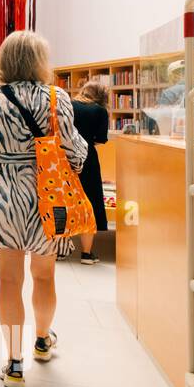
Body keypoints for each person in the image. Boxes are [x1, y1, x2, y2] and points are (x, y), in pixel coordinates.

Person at [0, 31, 88, 387]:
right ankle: (43, 341)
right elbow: (75, 153)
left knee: (9, 280)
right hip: (46, 196)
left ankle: (14, 365)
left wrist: (0, 174)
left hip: (2, 195)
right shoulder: (57, 98)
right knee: (44, 276)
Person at [71, 81, 110, 264]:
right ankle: (86, 254)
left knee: (65, 200)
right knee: (91, 202)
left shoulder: (68, 104)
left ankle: (61, 249)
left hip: (66, 158)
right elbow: (101, 139)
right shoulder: (99, 111)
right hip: (88, 159)